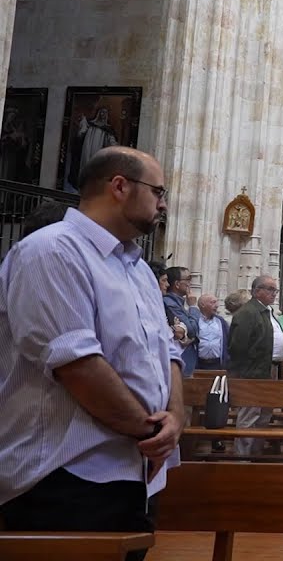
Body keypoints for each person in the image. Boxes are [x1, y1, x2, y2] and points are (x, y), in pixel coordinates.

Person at [0, 147, 182, 561]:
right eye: (158, 191)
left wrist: (177, 417)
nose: (164, 203)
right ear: (119, 186)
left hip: (133, 472)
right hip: (64, 473)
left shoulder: (137, 269)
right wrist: (152, 432)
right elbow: (77, 365)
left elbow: (166, 352)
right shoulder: (51, 251)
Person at [227, 274, 280, 456]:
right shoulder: (248, 313)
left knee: (263, 415)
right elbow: (237, 347)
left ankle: (255, 454)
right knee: (249, 416)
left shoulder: (263, 311)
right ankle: (242, 458)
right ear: (257, 291)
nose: (275, 294)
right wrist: (245, 373)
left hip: (265, 372)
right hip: (251, 374)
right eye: (271, 289)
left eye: (275, 290)